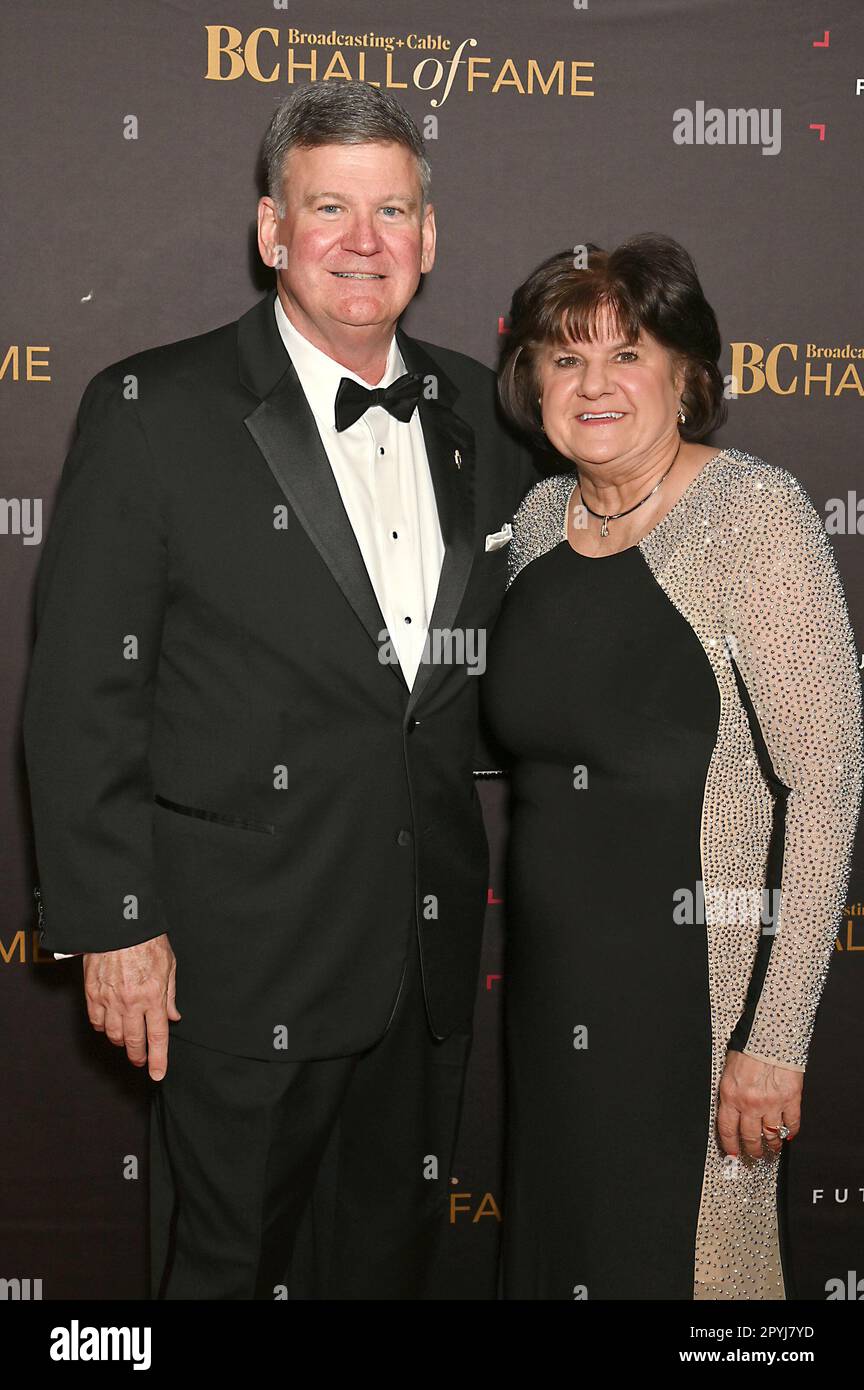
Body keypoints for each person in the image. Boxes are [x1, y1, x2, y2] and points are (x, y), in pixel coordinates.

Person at [22, 81, 538, 1300]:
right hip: (233, 951)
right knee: (229, 1264)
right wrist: (115, 922)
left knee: (389, 1265)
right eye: (329, 207)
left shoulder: (486, 412)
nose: (365, 241)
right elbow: (81, 691)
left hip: (422, 948)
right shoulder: (154, 408)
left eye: (393, 210)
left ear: (430, 236)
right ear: (271, 232)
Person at [481, 234, 864, 1300]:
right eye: (565, 358)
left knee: (693, 1276)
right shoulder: (529, 526)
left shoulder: (754, 516)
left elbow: (826, 790)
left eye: (629, 353)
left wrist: (774, 1038)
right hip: (556, 996)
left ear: (688, 376)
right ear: (535, 384)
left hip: (700, 1002)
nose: (593, 384)